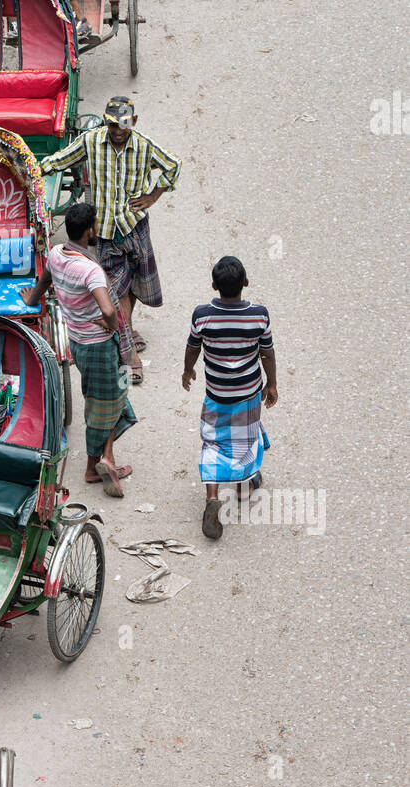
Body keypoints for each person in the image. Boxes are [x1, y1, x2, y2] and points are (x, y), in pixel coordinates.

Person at [41, 96, 181, 383]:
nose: (117, 130)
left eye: (123, 125)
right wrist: (31, 167)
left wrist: (153, 196)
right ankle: (129, 354)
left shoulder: (144, 146)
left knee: (129, 285)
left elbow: (173, 166)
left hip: (135, 227)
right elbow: (60, 159)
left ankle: (125, 329)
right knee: (113, 294)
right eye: (112, 124)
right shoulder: (91, 142)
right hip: (104, 233)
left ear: (134, 122)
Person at [20, 202, 136, 497]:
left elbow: (42, 285)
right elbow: (108, 309)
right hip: (99, 346)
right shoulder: (89, 270)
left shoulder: (57, 254)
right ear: (89, 231)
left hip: (78, 343)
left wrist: (31, 299)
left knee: (113, 397)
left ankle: (107, 459)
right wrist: (110, 322)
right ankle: (92, 467)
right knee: (103, 405)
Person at [182, 256, 278, 541]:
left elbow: (192, 347)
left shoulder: (202, 315)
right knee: (245, 439)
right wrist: (272, 383)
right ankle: (242, 486)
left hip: (216, 393)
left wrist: (188, 370)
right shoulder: (259, 315)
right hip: (247, 394)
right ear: (246, 283)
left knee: (213, 440)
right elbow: (267, 353)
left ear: (214, 286)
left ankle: (213, 498)